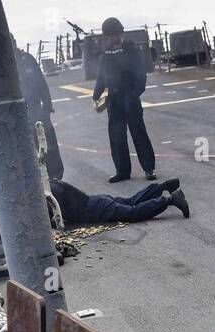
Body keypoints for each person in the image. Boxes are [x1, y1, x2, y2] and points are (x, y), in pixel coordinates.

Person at [93, 17, 155, 182]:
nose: (110, 39)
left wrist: (135, 93)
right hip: (114, 98)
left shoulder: (130, 48)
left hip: (130, 97)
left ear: (118, 33)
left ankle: (149, 168)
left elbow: (140, 72)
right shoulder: (107, 53)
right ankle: (122, 171)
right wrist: (96, 95)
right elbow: (101, 76)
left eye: (112, 35)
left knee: (138, 133)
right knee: (116, 136)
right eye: (108, 36)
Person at [14, 39, 64, 180]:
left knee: (49, 142)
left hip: (36, 109)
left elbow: (41, 83)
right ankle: (36, 179)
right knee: (27, 149)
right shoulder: (2, 64)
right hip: (18, 114)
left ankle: (56, 176)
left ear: (14, 42)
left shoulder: (27, 59)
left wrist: (47, 108)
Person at [49, 177, 188, 225]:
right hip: (97, 200)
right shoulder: (50, 183)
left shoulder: (48, 194)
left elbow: (56, 217)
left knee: (133, 213)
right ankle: (162, 187)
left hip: (97, 209)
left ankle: (170, 200)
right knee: (131, 201)